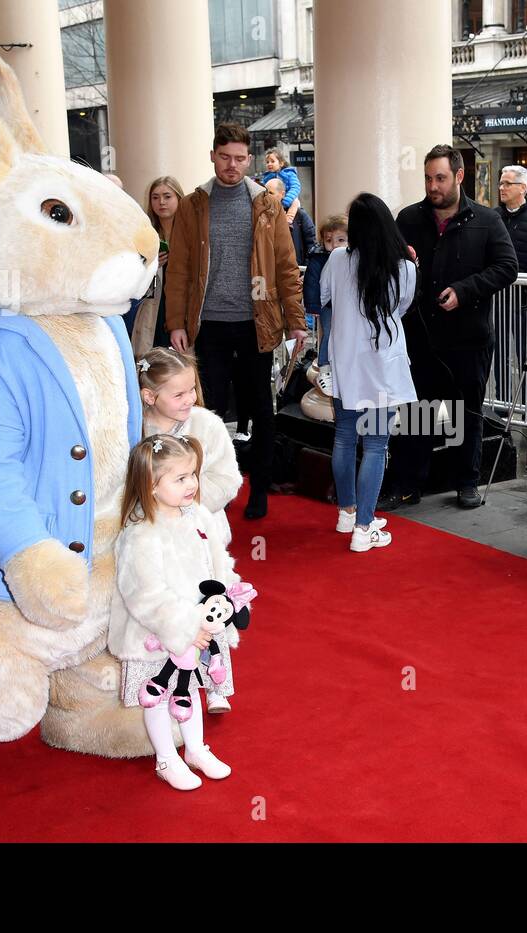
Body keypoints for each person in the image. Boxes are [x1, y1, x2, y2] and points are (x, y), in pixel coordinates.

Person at [164, 123, 306, 521]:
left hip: (256, 324)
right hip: (207, 325)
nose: (232, 165)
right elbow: (179, 269)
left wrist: (295, 320)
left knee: (261, 408)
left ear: (250, 159)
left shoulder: (266, 204)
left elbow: (285, 265)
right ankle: (211, 491)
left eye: (240, 158)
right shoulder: (194, 204)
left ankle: (259, 487)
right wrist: (176, 321)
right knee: (205, 414)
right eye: (225, 157)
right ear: (213, 156)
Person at [382, 144, 518, 511]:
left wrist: (464, 291)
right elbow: (388, 267)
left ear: (459, 176)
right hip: (420, 339)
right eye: (427, 178)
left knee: (466, 413)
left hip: (468, 339)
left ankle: (467, 483)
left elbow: (507, 268)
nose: (432, 186)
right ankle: (408, 485)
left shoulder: (488, 221)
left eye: (440, 178)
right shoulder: (408, 219)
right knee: (417, 415)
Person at [109, 434, 238, 791]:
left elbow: (217, 562)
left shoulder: (198, 517)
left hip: (199, 630)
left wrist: (225, 601)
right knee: (160, 696)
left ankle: (195, 749)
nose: (191, 484)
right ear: (151, 485)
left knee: (192, 688)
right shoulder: (140, 535)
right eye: (179, 478)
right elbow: (146, 596)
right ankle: (166, 758)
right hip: (155, 635)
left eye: (193, 475)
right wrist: (185, 628)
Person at [137, 346, 243, 712]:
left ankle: (216, 684)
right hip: (152, 534)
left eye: (192, 390)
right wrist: (154, 509)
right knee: (164, 605)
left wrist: (188, 505)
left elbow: (228, 478)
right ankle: (157, 679)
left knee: (209, 606)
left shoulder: (207, 424)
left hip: (202, 534)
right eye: (178, 394)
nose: (189, 399)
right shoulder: (132, 425)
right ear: (149, 396)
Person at [321, 192, 417, 552]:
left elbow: (324, 298)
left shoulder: (336, 259)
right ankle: (364, 527)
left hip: (345, 363)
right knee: (375, 445)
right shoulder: (404, 268)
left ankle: (348, 513)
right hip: (381, 367)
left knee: (345, 437)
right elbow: (402, 307)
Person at [129, 175, 184, 356]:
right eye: (155, 197)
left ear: (178, 198)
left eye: (167, 196)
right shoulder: (144, 235)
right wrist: (149, 268)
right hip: (153, 310)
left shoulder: (190, 235)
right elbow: (133, 284)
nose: (161, 202)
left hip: (183, 312)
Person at [302, 213, 349, 396]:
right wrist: (313, 306)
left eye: (341, 239)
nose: (335, 244)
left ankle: (341, 366)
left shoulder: (352, 256)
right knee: (329, 333)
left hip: (347, 305)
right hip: (328, 305)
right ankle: (324, 368)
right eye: (329, 240)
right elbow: (311, 283)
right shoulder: (319, 257)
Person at [267, 177, 316, 265]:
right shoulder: (263, 215)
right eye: (265, 193)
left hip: (296, 269)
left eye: (271, 193)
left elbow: (312, 244)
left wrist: (306, 269)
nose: (267, 197)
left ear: (282, 194)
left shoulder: (299, 215)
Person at [260, 147, 301, 227]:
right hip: (274, 201)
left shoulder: (289, 174)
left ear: (281, 163)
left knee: (295, 202)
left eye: (272, 161)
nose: (269, 164)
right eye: (267, 162)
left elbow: (295, 187)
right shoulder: (266, 177)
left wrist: (286, 200)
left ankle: (288, 220)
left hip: (289, 199)